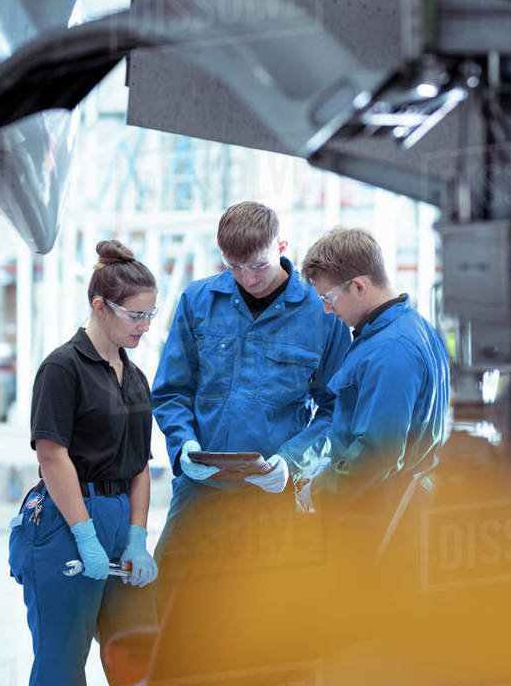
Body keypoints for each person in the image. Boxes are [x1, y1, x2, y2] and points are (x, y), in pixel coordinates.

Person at [147, 201, 351, 673]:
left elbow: (336, 406)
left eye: (256, 265)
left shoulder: (320, 314)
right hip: (202, 488)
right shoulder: (199, 301)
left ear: (281, 248)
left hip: (274, 493)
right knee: (171, 597)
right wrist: (184, 447)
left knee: (269, 619)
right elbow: (172, 391)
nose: (247, 278)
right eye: (233, 266)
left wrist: (292, 464)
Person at [7, 240, 159, 686]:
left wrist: (137, 535)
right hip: (67, 520)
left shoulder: (135, 377)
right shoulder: (63, 368)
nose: (146, 326)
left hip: (118, 521)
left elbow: (139, 465)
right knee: (61, 666)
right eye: (136, 315)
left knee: (138, 658)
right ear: (100, 305)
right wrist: (85, 535)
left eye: (151, 314)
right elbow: (52, 456)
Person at [283, 226, 450, 522]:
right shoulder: (411, 329)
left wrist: (320, 490)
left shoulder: (389, 350)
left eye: (329, 298)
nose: (325, 310)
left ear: (358, 286)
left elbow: (378, 453)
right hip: (392, 504)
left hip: (378, 514)